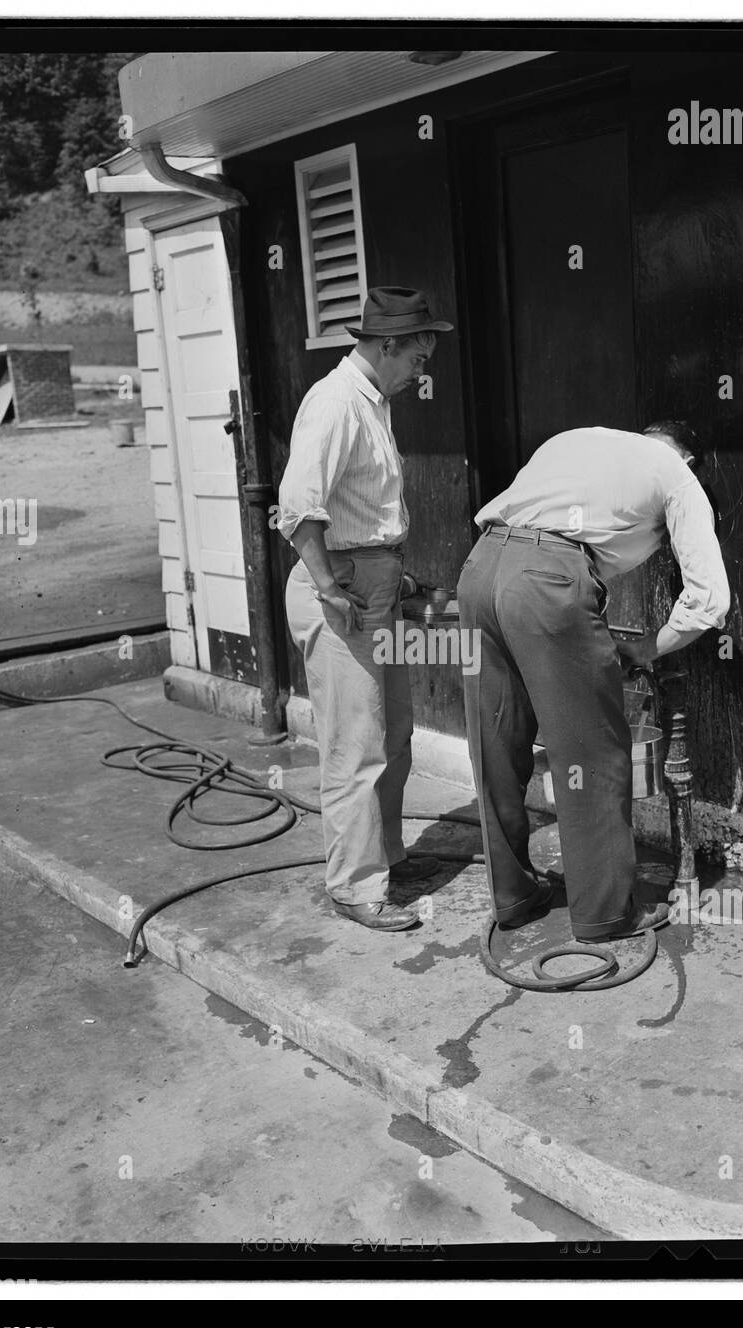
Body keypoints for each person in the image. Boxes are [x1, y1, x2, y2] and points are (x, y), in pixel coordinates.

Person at [457, 421, 731, 943]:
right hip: (547, 583)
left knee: (496, 739)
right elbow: (709, 598)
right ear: (688, 460)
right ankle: (605, 913)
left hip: (480, 568)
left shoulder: (577, 439)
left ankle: (513, 898)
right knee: (594, 750)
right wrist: (651, 646)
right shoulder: (678, 476)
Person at [277, 286, 453, 931]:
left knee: (393, 734)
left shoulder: (373, 402)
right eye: (417, 356)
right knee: (355, 744)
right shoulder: (335, 402)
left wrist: (399, 581)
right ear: (386, 345)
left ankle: (385, 857)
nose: (422, 370)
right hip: (344, 588)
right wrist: (328, 587)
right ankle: (354, 887)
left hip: (376, 580)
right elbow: (298, 506)